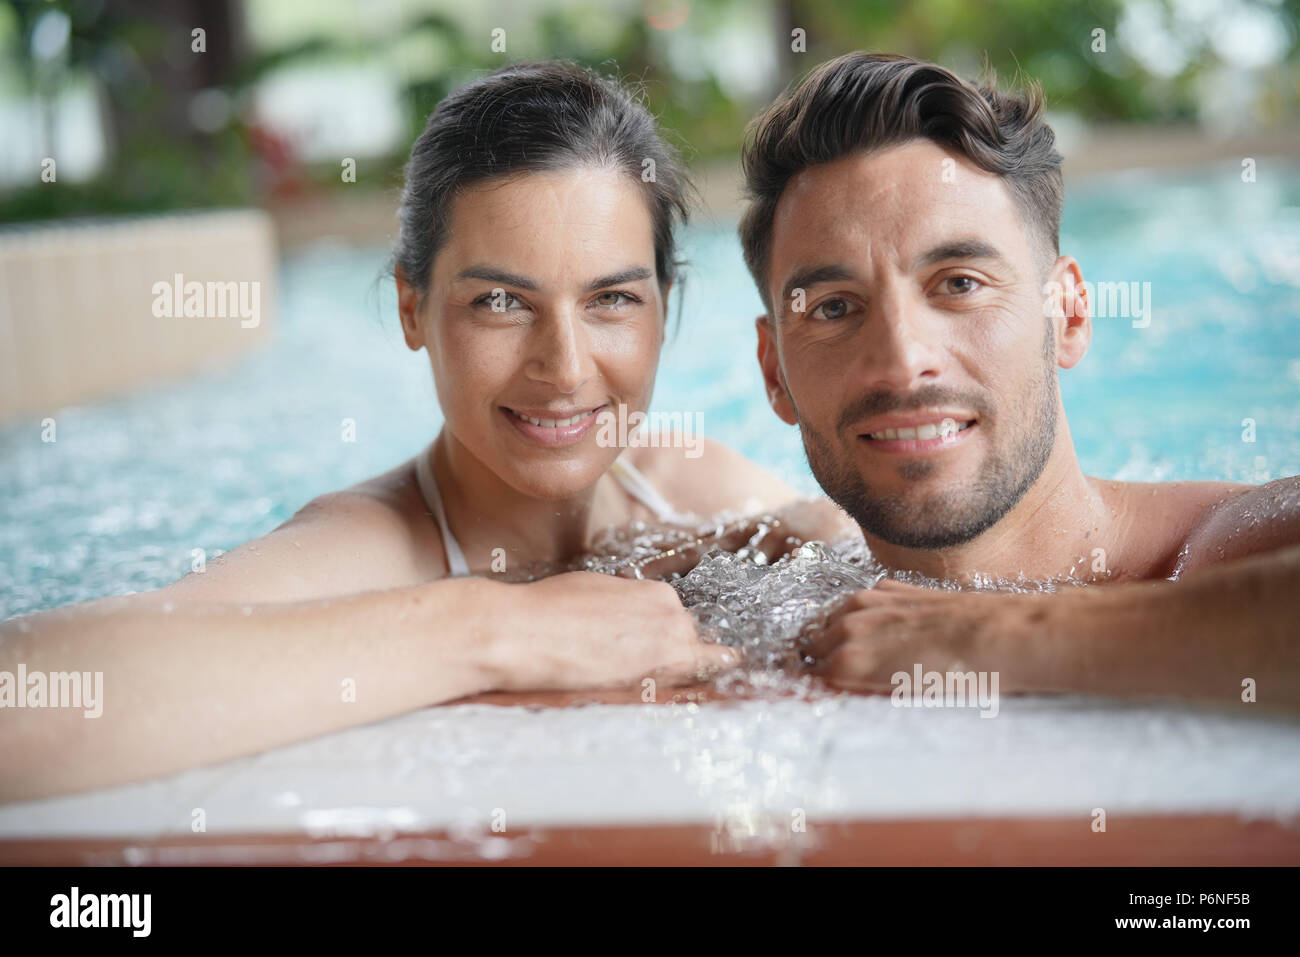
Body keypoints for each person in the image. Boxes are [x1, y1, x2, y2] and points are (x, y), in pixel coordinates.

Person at [0, 61, 828, 802]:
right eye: (500, 301)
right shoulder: (373, 547)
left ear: (665, 307)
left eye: (611, 299)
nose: (566, 367)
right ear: (412, 308)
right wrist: (494, 627)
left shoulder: (695, 490)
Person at [738, 53, 1300, 710]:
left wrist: (1006, 632)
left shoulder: (1224, 545)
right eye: (834, 306)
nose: (900, 360)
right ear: (774, 371)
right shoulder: (769, 576)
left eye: (959, 284)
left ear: (1068, 313)